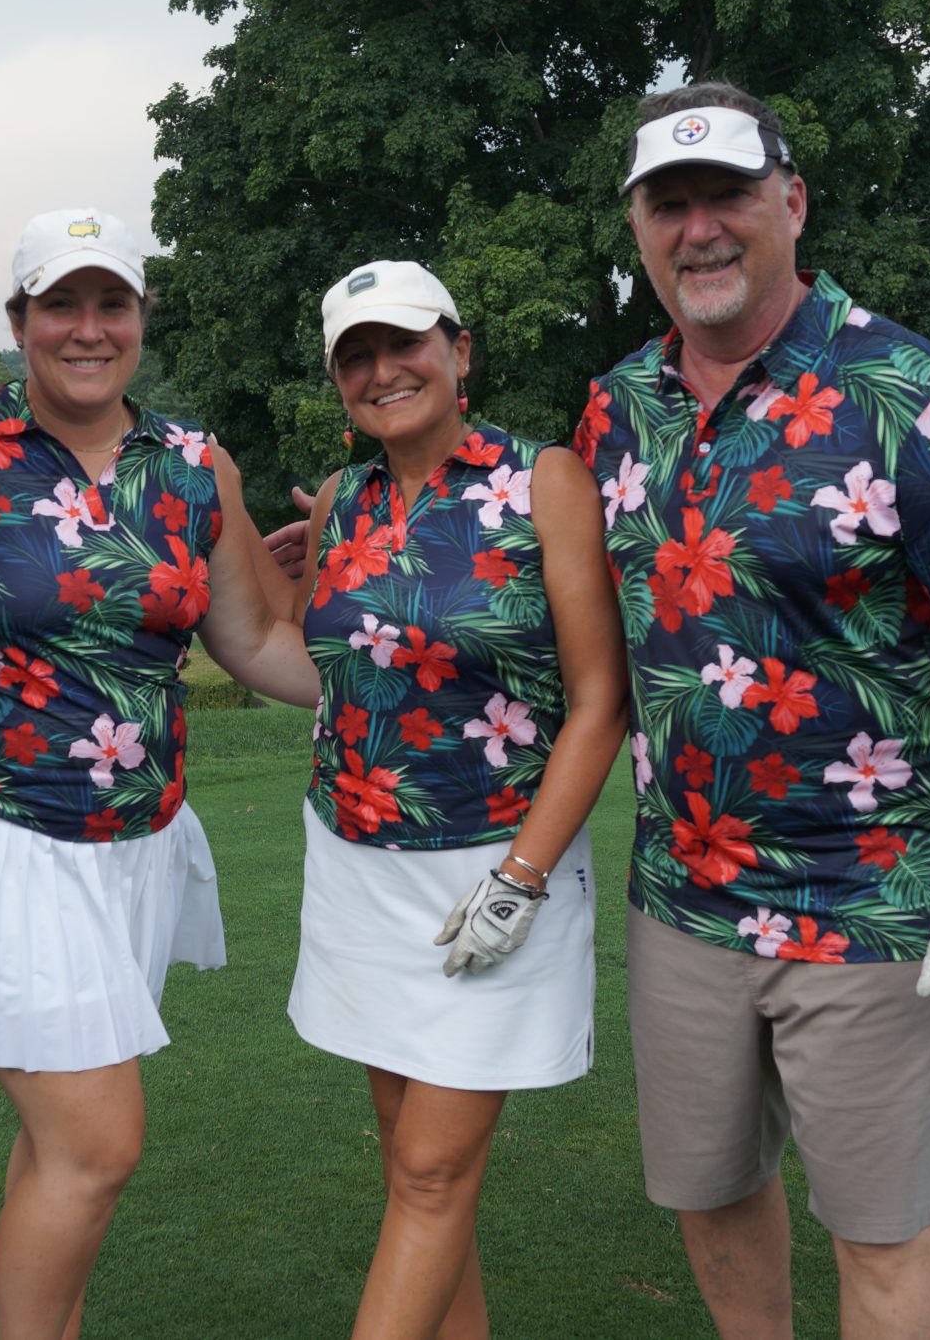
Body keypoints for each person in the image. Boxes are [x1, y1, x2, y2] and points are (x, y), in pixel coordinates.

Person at [581, 81, 930, 1339]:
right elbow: (573, 609)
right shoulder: (617, 403)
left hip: (871, 899)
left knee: (883, 1233)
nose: (698, 229)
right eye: (667, 204)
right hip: (683, 897)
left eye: (726, 197)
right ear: (636, 229)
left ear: (789, 205)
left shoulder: (907, 389)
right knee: (710, 1196)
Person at [0, 208, 318, 1340]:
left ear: (139, 318)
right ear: (17, 322)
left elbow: (257, 642)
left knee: (57, 1150)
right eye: (60, 305)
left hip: (138, 842)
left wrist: (400, 672)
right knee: (97, 1144)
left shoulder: (194, 466)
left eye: (111, 304)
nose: (87, 329)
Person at [291, 259, 629, 1340]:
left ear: (459, 350)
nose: (383, 369)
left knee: (433, 1170)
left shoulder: (544, 479)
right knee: (415, 1171)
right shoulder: (343, 499)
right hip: (355, 861)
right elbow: (331, 661)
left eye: (405, 343)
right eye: (357, 354)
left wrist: (518, 879)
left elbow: (598, 700)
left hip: (493, 865)